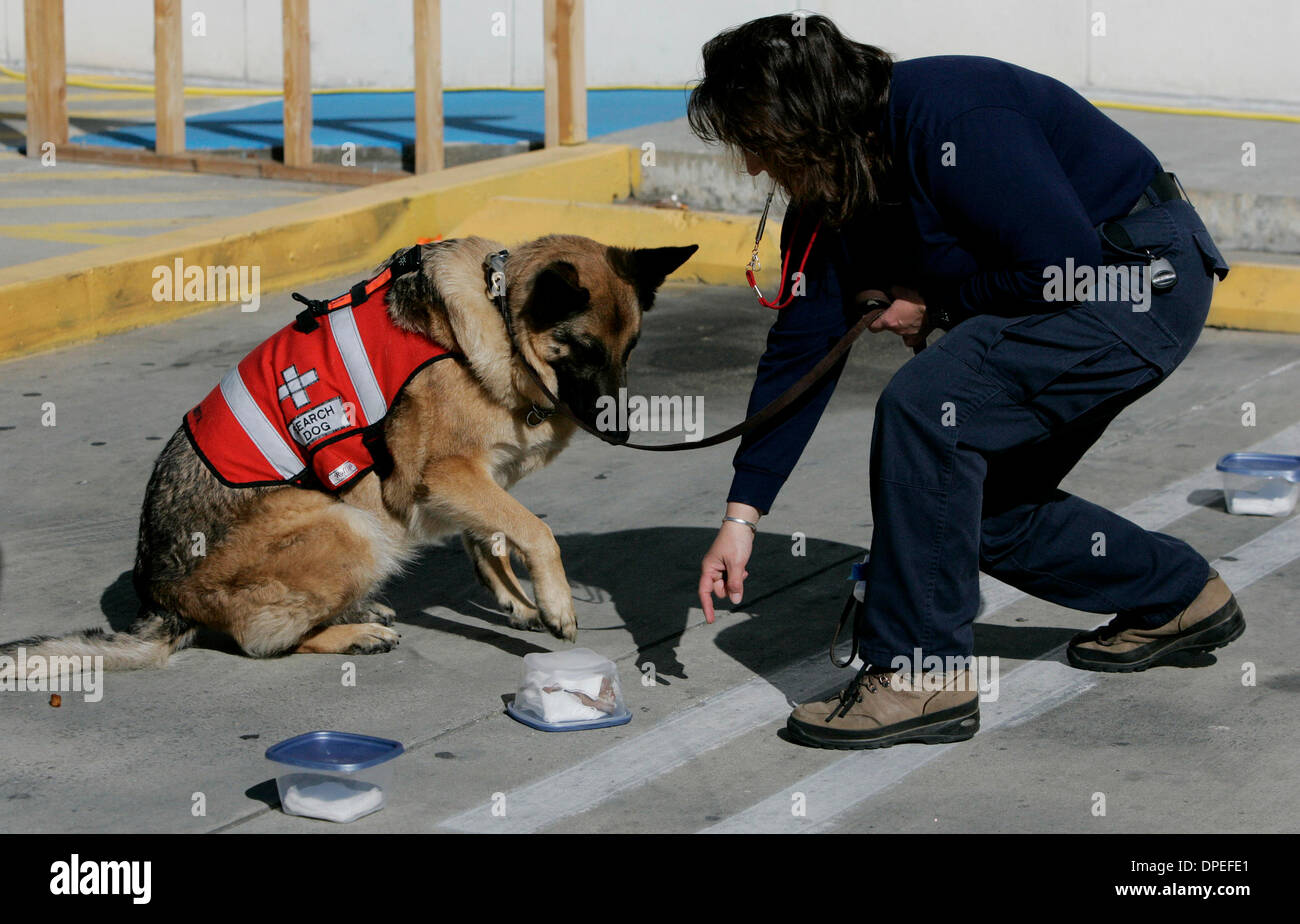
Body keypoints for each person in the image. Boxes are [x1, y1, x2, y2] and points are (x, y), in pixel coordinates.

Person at [690, 14, 1241, 750]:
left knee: (927, 409)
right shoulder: (832, 185)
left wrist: (941, 303)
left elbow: (1064, 261)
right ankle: (1177, 596)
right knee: (971, 514)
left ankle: (919, 677)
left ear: (806, 114)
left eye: (757, 141)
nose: (754, 167)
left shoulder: (952, 110)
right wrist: (741, 514)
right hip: (1084, 287)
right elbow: (799, 352)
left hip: (1135, 279)